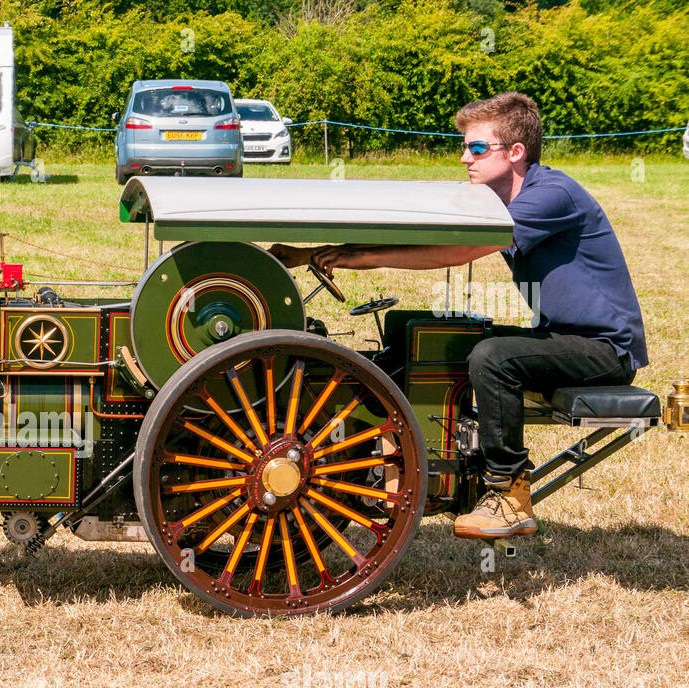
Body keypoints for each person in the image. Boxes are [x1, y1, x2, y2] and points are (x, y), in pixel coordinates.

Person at [270, 92, 647, 540]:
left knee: (494, 356)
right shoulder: (498, 196)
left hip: (605, 351)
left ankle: (509, 493)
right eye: (464, 146)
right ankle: (391, 460)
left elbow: (462, 247)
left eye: (477, 148)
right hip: (560, 336)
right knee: (419, 334)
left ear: (516, 153)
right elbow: (424, 220)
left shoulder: (552, 196)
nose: (464, 157)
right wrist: (320, 250)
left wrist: (359, 257)